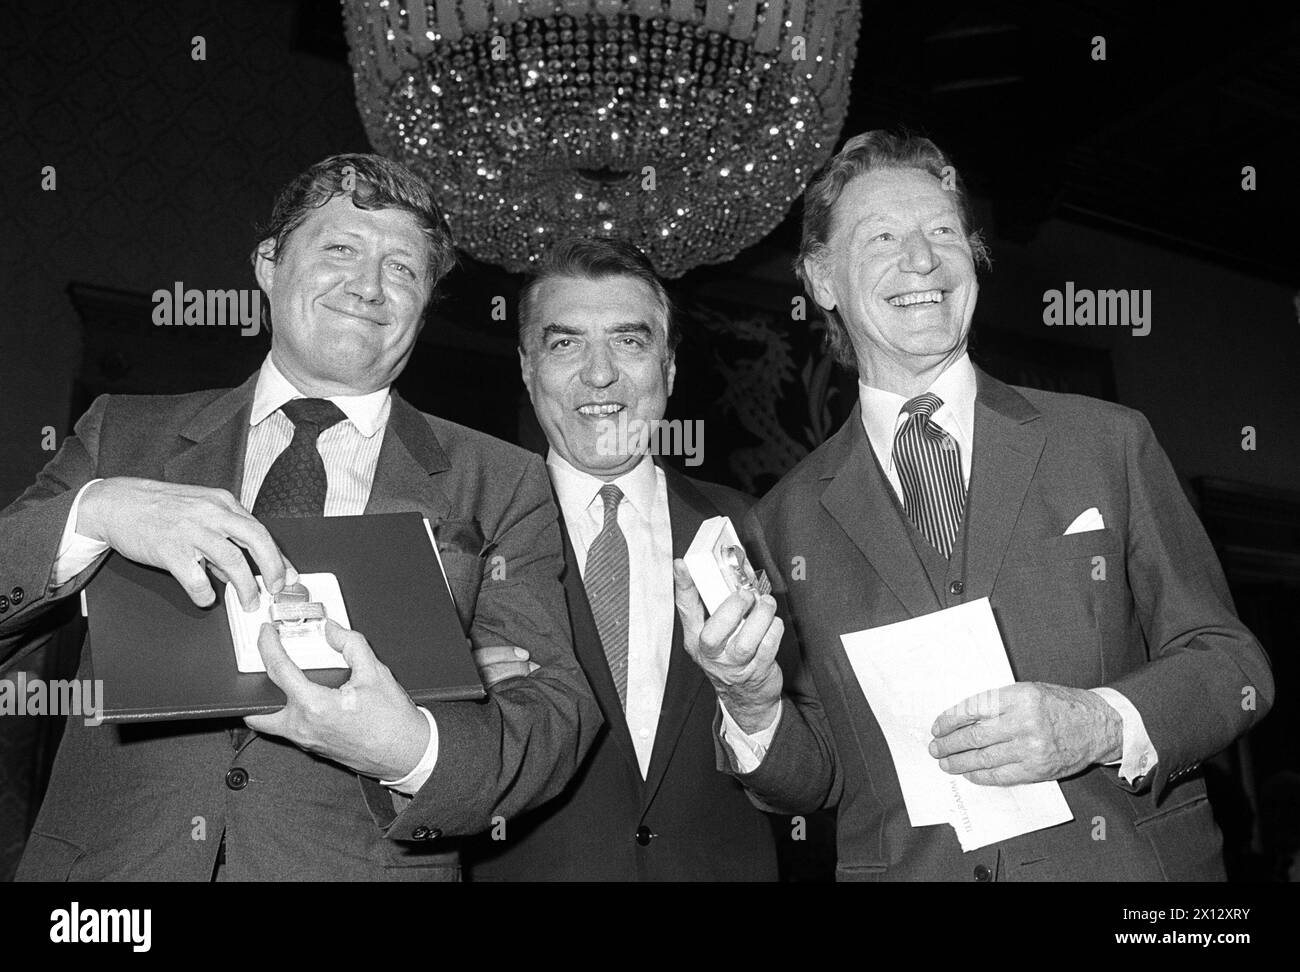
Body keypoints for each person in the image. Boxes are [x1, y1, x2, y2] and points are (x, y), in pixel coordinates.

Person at [674, 130, 1275, 881]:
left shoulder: (1108, 442)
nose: (922, 260)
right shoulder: (784, 519)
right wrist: (751, 704)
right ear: (822, 279)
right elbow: (821, 775)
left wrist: (1098, 724)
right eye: (883, 236)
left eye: (942, 232)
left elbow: (1232, 665)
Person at [0, 153, 600, 881]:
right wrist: (92, 513)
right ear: (268, 265)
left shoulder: (502, 480)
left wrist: (409, 746)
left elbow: (555, 713)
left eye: (404, 269)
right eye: (339, 250)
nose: (369, 287)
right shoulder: (123, 437)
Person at [462, 238, 787, 880]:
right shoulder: (463, 537)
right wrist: (452, 699)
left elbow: (816, 772)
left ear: (667, 370)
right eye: (565, 343)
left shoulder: (756, 527)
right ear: (527, 368)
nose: (600, 373)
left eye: (629, 341)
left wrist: (757, 708)